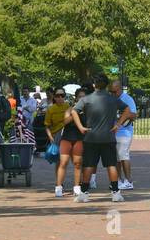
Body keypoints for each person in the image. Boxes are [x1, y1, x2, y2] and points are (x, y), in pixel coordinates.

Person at [68, 73, 131, 203]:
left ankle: (84, 193)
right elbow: (127, 110)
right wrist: (118, 124)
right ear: (106, 85)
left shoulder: (87, 99)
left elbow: (74, 111)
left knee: (89, 166)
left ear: (94, 85)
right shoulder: (112, 99)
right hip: (108, 137)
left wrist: (80, 127)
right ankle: (116, 193)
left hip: (91, 137)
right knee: (111, 165)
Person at [57, 87, 88, 198]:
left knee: (77, 163)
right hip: (67, 139)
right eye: (80, 97)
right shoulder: (70, 109)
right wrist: (75, 112)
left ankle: (76, 187)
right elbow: (65, 122)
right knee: (63, 162)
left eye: (84, 97)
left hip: (79, 139)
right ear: (76, 98)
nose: (82, 99)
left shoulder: (88, 111)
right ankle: (59, 187)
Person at [110, 78, 138, 190]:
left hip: (124, 132)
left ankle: (128, 180)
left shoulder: (127, 99)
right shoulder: (111, 99)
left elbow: (134, 115)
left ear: (120, 89)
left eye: (115, 91)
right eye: (111, 91)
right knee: (116, 158)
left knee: (123, 155)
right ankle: (118, 180)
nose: (113, 94)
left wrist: (122, 115)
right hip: (113, 132)